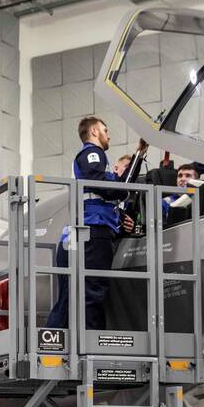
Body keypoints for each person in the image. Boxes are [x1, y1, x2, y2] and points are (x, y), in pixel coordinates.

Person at [46, 116, 133, 330]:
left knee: (68, 297)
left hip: (78, 232)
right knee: (93, 290)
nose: (108, 134)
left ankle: (51, 347)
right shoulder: (93, 154)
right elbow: (100, 184)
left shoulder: (87, 159)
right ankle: (94, 347)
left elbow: (98, 193)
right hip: (93, 231)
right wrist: (118, 190)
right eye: (105, 129)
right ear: (94, 131)